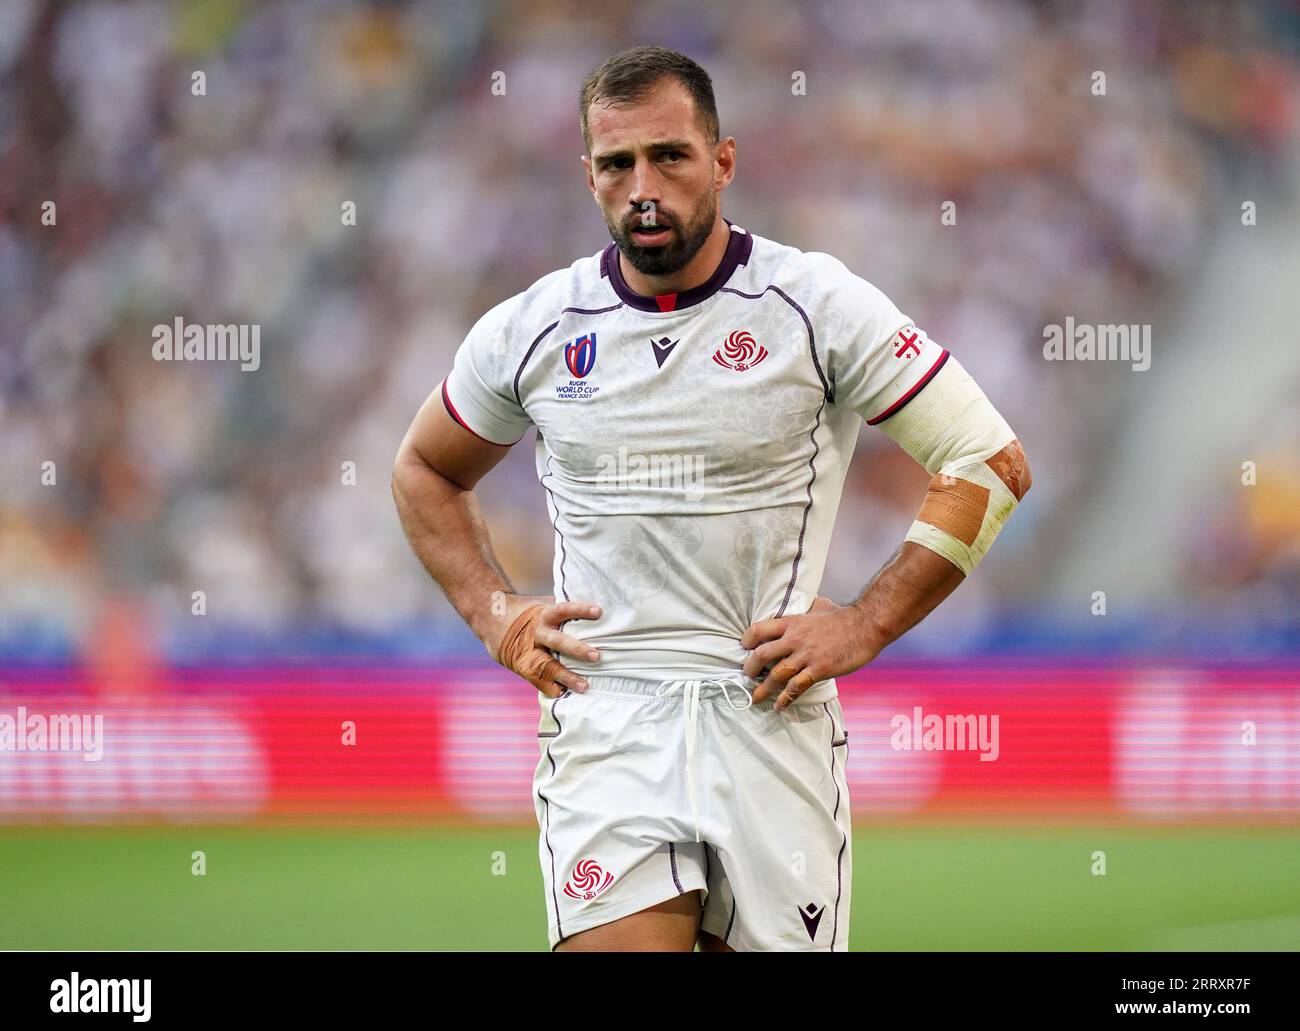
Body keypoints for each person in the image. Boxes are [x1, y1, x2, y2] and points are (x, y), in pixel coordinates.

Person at [392, 45, 1031, 952]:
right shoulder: (534, 327)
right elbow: (424, 469)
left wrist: (866, 624)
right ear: (588, 176)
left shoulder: (814, 305)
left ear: (723, 161)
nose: (642, 186)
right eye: (617, 164)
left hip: (767, 714)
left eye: (669, 157)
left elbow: (987, 460)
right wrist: (493, 610)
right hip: (607, 717)